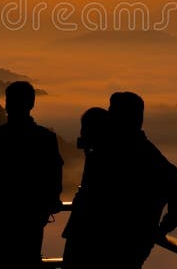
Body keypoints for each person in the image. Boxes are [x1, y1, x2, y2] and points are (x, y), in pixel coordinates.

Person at [0, 81, 63, 268]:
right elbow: (54, 178)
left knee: (2, 260)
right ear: (31, 104)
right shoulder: (45, 139)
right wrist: (45, 206)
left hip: (3, 214)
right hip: (32, 215)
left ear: (7, 103)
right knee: (29, 260)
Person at [105, 91, 177, 269]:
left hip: (125, 245)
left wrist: (160, 229)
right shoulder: (127, 152)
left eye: (113, 113)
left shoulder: (145, 157)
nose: (109, 118)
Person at [62, 107, 111, 268]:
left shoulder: (98, 158)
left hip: (84, 233)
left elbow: (90, 191)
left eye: (84, 128)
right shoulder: (98, 155)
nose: (81, 134)